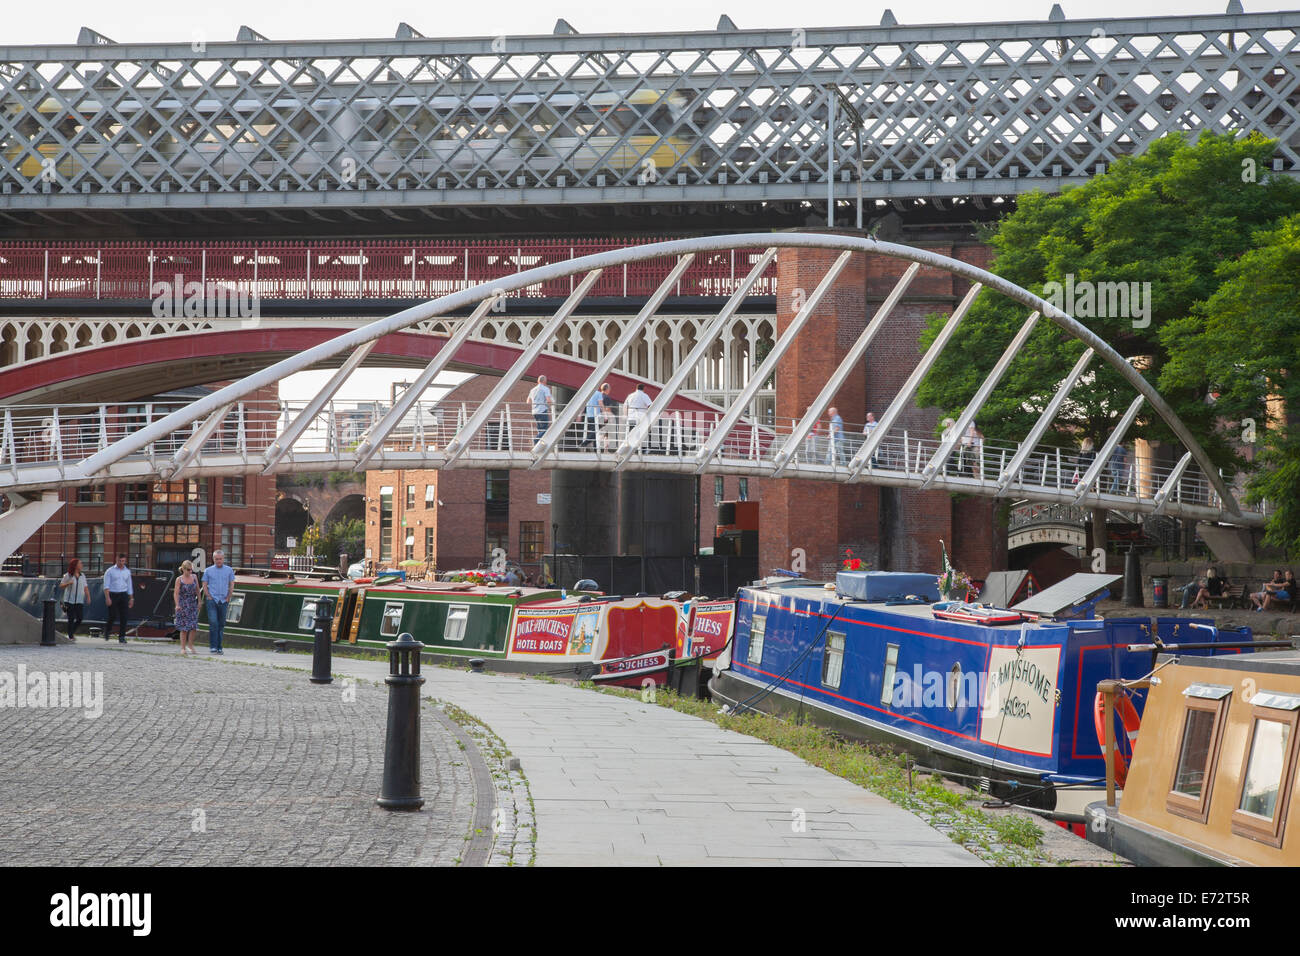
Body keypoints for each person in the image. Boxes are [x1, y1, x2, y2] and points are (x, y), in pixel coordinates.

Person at [202, 549, 236, 654]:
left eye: (220, 559)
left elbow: (232, 584)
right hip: (212, 600)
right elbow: (204, 584)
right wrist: (208, 595)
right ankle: (213, 646)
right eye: (216, 559)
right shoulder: (208, 570)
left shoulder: (229, 570)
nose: (218, 561)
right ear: (213, 559)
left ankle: (219, 647)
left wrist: (228, 597)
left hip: (224, 600)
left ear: (223, 559)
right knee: (213, 623)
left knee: (221, 624)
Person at [173, 559, 202, 656]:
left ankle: (190, 645)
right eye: (188, 570)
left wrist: (199, 601)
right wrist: (177, 604)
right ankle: (182, 648)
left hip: (192, 603)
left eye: (191, 570)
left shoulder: (194, 577)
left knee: (193, 626)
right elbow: (176, 593)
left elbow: (197, 590)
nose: (190, 572)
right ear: (184, 569)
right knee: (184, 628)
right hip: (183, 604)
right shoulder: (179, 579)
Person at [59, 557, 91, 642]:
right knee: (71, 618)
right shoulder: (68, 575)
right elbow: (61, 585)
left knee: (80, 618)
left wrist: (88, 597)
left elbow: (85, 587)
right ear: (75, 565)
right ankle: (70, 635)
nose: (82, 565)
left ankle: (71, 631)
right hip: (69, 600)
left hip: (79, 600)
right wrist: (68, 583)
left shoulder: (82, 576)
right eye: (80, 563)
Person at [103, 553, 133, 644]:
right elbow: (106, 585)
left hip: (123, 594)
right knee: (112, 615)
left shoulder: (127, 571)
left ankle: (122, 636)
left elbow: (129, 585)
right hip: (113, 594)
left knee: (124, 616)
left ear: (125, 561)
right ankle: (107, 630)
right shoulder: (110, 571)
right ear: (116, 560)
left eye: (123, 561)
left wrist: (131, 598)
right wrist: (107, 597)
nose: (121, 563)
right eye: (120, 561)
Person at [527, 375, 554, 443]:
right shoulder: (545, 389)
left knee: (540, 429)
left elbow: (528, 401)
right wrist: (551, 405)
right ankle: (536, 440)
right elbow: (548, 400)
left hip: (535, 411)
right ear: (545, 381)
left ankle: (539, 444)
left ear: (538, 381)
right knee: (545, 429)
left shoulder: (532, 390)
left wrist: (536, 404)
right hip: (542, 410)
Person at [625, 383, 653, 448]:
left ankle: (631, 447)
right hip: (641, 417)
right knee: (642, 433)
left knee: (631, 432)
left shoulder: (630, 395)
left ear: (636, 388)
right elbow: (650, 405)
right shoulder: (644, 395)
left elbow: (626, 405)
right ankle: (642, 448)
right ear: (643, 389)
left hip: (631, 417)